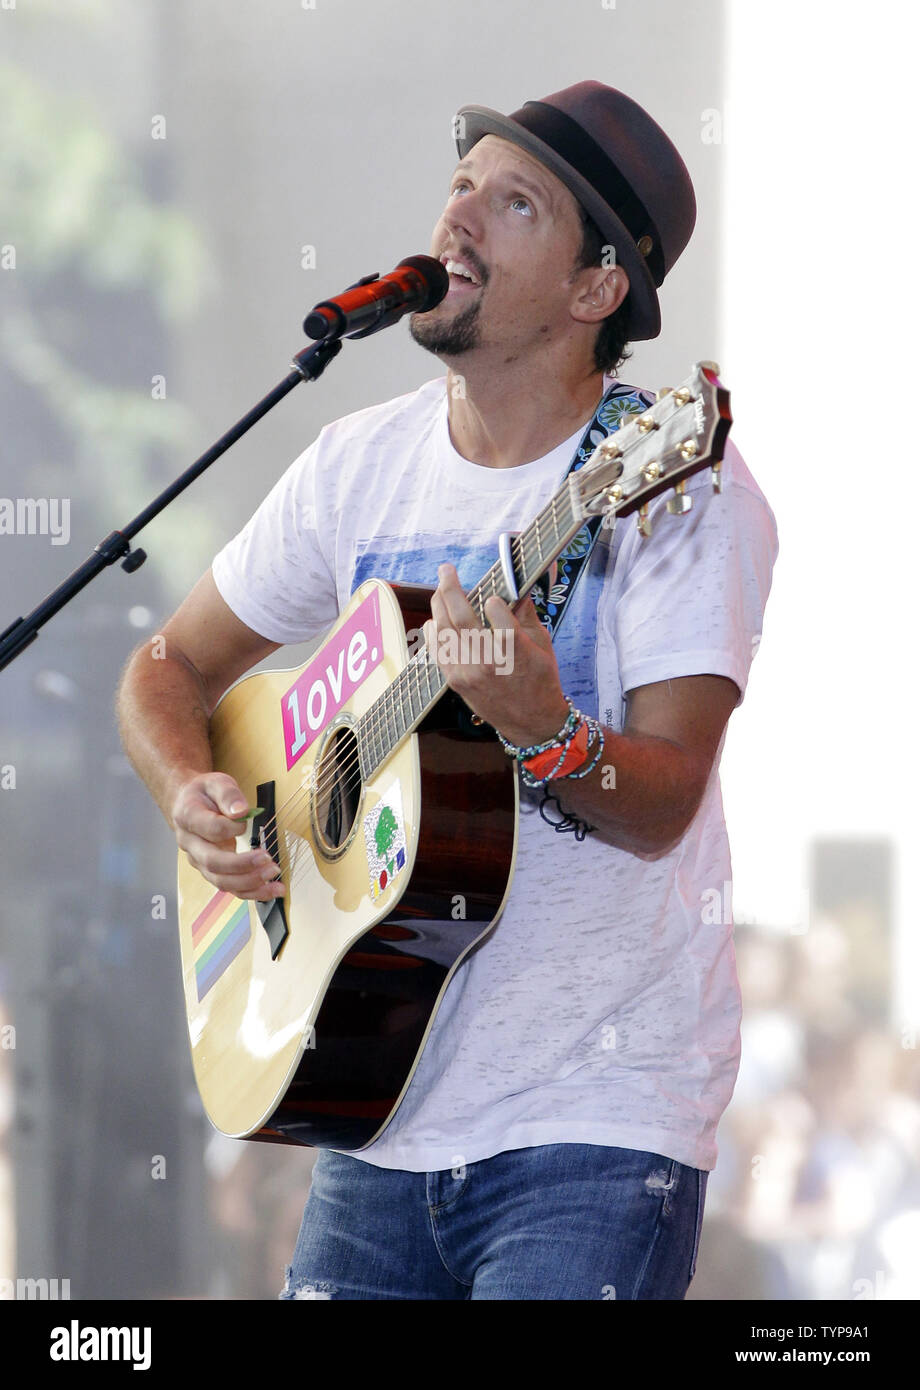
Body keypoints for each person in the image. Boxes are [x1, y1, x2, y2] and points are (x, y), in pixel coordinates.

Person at [116, 80, 778, 1300]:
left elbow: (663, 803)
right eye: (462, 183)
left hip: (592, 1117)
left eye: (513, 201)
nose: (458, 217)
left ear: (595, 291)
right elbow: (167, 668)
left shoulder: (676, 485)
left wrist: (547, 730)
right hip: (374, 1114)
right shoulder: (356, 465)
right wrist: (192, 788)